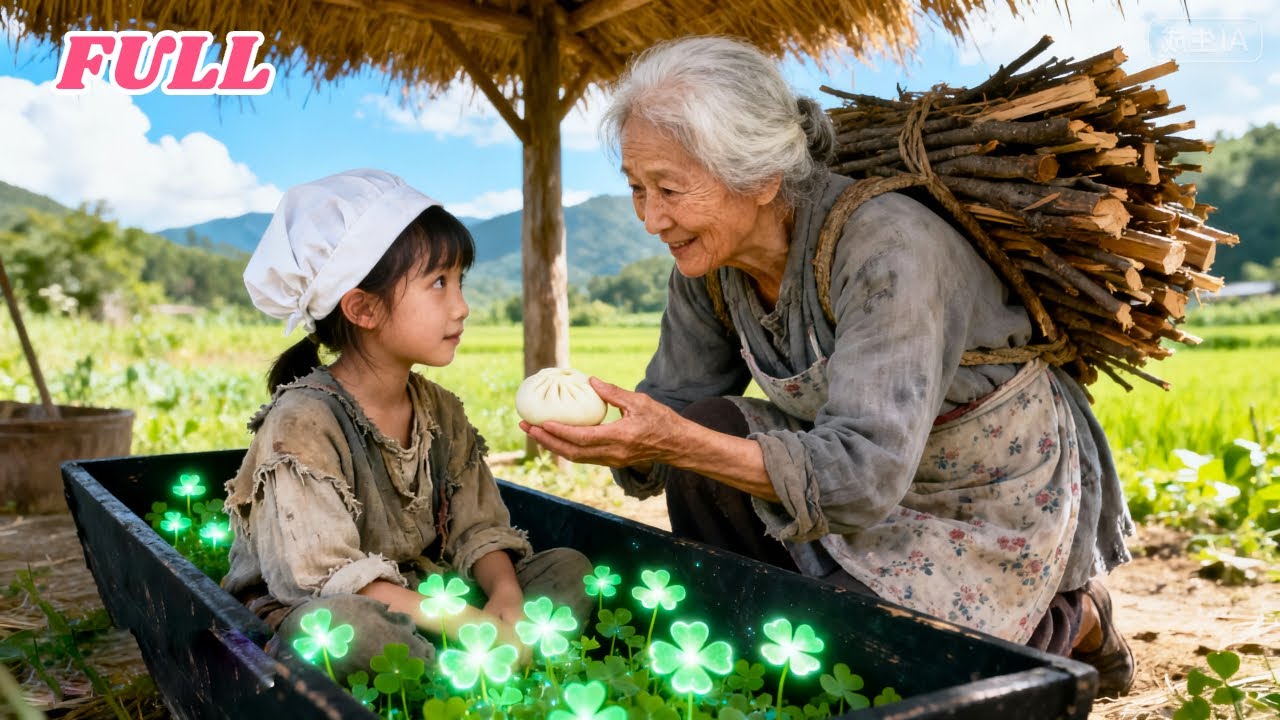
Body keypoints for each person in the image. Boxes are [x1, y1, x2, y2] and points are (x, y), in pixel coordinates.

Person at [521, 37, 1136, 697]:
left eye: (668, 189)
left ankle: (1074, 620)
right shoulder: (706, 263)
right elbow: (676, 404)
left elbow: (863, 477)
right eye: (637, 189)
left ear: (761, 177)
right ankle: (760, 654)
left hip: (974, 487)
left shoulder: (889, 248)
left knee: (913, 667)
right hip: (844, 469)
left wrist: (675, 440)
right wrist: (622, 439)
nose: (650, 218)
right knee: (705, 439)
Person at [222, 169, 592, 677]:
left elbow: (478, 526)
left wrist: (504, 594)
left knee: (569, 569)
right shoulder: (302, 422)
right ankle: (453, 676)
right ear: (363, 308)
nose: (461, 306)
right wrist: (466, 622)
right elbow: (318, 579)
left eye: (461, 281)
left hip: (431, 595)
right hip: (325, 608)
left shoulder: (441, 410)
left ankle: (453, 665)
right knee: (343, 630)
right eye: (438, 283)